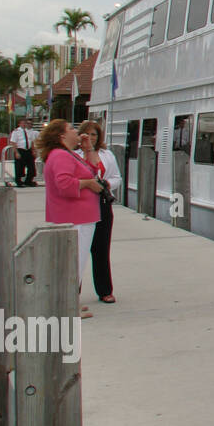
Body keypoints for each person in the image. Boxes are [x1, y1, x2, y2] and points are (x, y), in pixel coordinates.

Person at [38, 120, 103, 319]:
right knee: (74, 263)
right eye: (71, 129)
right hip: (75, 218)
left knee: (75, 262)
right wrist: (89, 184)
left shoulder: (68, 154)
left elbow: (96, 168)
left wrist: (89, 148)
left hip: (78, 216)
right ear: (61, 136)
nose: (77, 132)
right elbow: (64, 184)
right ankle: (67, 308)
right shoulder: (60, 156)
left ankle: (70, 300)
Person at [74, 120, 121, 304]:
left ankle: (104, 290)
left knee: (101, 249)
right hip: (81, 204)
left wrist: (107, 184)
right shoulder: (74, 155)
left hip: (102, 203)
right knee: (78, 248)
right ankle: (73, 289)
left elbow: (117, 177)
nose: (91, 138)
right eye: (87, 134)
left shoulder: (106, 154)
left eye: (94, 134)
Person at [10, 117, 36, 186]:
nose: (24, 124)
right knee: (19, 167)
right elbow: (13, 142)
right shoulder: (16, 132)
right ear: (19, 124)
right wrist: (16, 152)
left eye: (25, 123)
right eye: (23, 123)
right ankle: (19, 181)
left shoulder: (29, 131)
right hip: (20, 150)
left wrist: (33, 151)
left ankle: (28, 181)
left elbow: (32, 141)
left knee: (31, 167)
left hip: (28, 150)